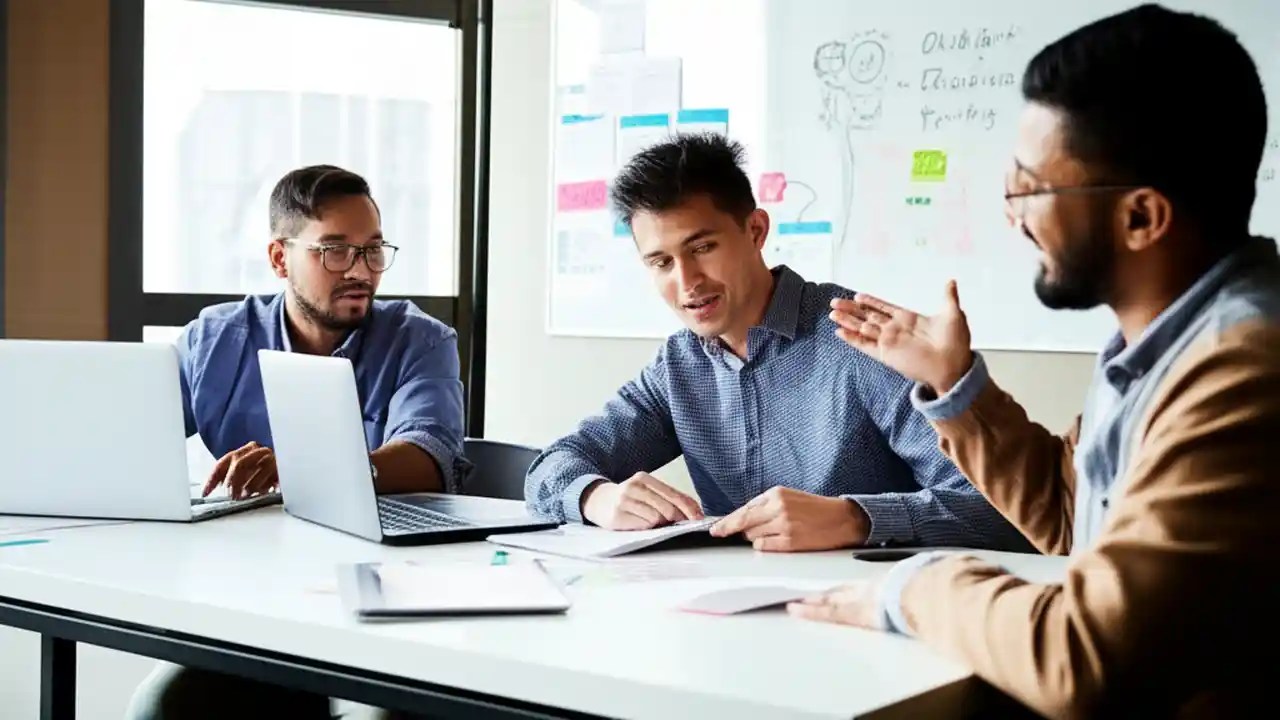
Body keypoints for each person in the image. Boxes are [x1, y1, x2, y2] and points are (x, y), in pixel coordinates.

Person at [789, 5, 1280, 717]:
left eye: (1031, 188)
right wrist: (953, 386)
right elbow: (1072, 517)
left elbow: (1084, 657)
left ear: (1141, 218)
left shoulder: (1244, 368)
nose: (1012, 215)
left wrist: (916, 587)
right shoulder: (1166, 342)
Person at [525, 133, 1030, 553]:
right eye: (661, 263)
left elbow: (1004, 510)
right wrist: (595, 497)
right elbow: (550, 466)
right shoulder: (679, 366)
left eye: (702, 247)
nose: (687, 282)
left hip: (876, 627)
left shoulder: (859, 339)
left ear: (756, 230)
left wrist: (856, 518)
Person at [125, 165, 466, 719]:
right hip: (257, 599)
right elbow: (136, 440)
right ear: (281, 258)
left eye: (373, 251)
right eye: (335, 251)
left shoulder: (420, 341)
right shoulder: (215, 339)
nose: (361, 270)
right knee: (161, 708)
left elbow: (429, 459)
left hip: (386, 604)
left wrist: (303, 468)